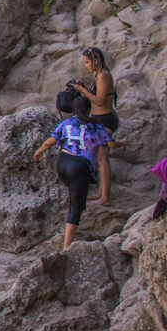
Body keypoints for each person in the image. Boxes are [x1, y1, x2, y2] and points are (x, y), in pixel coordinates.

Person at [33, 88, 119, 249]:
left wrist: (38, 152)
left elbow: (49, 141)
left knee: (73, 189)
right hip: (79, 168)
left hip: (63, 164)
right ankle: (66, 247)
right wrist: (123, 142)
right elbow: (110, 144)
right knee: (76, 207)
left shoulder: (66, 123)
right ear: (89, 109)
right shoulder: (96, 127)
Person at [68, 46, 120, 204]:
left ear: (96, 61)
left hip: (105, 119)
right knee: (99, 159)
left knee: (102, 159)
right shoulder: (97, 75)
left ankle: (106, 197)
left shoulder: (104, 76)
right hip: (98, 119)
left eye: (87, 62)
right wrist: (83, 87)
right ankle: (101, 192)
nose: (86, 65)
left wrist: (82, 91)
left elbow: (99, 100)